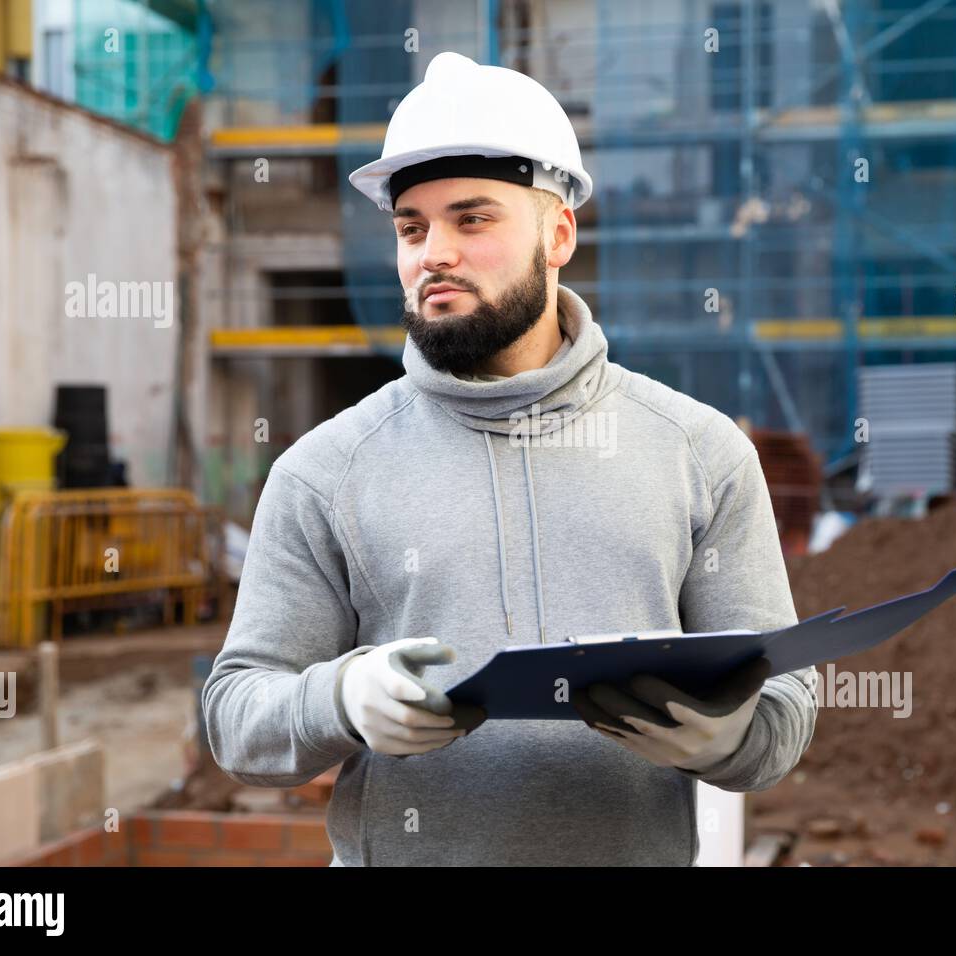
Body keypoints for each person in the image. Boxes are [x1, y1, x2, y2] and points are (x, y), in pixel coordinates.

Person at [203, 51, 819, 866]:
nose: (434, 255)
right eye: (411, 228)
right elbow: (236, 716)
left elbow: (785, 702)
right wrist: (340, 698)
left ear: (557, 233)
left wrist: (730, 739)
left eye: (473, 218)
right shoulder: (325, 471)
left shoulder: (698, 454)